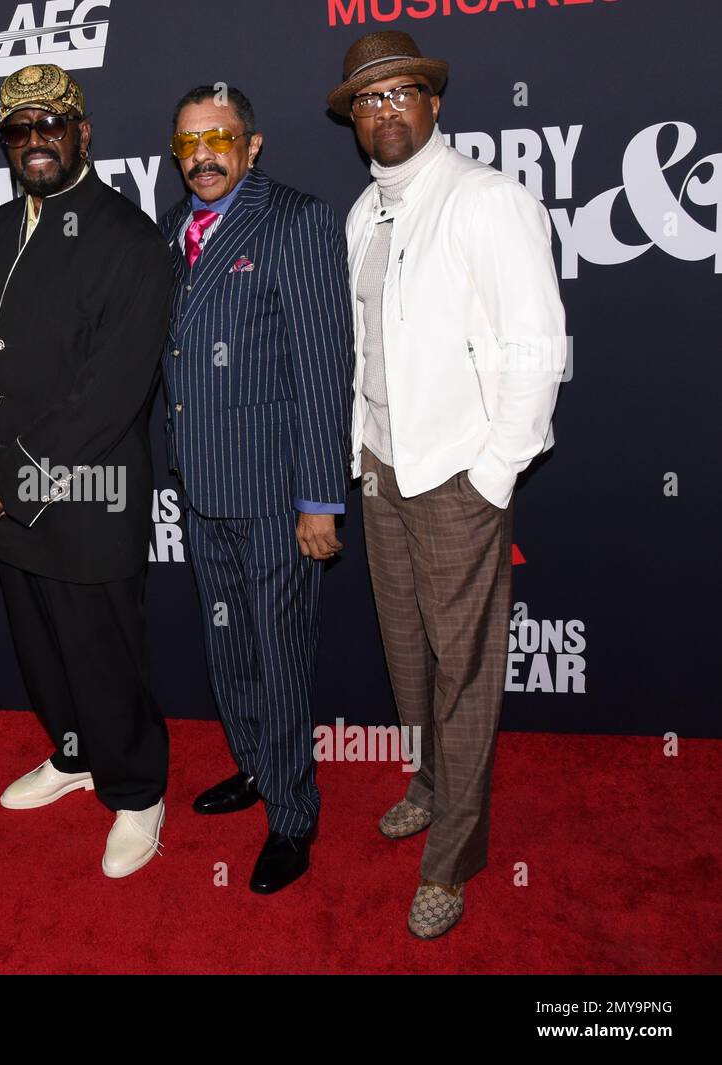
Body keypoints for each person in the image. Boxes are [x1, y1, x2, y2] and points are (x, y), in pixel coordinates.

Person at [328, 31, 565, 938]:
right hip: (386, 469)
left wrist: (497, 469)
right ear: (353, 120)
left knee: (463, 670)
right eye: (367, 100)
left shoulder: (487, 200)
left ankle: (454, 856)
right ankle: (429, 783)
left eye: (399, 93)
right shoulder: (363, 215)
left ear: (432, 104)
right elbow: (363, 352)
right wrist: (360, 452)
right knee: (407, 655)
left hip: (460, 474)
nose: (384, 110)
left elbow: (539, 346)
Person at [0, 63, 173, 878]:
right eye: (18, 132)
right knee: (41, 650)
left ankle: (138, 792)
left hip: (83, 501)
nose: (35, 143)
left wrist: (16, 477)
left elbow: (109, 394)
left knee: (104, 656)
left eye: (51, 127)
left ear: (83, 133)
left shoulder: (130, 239)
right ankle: (74, 756)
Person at [159, 85, 354, 893]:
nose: (203, 156)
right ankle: (256, 765)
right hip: (204, 485)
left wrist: (319, 497)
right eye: (188, 145)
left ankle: (295, 816)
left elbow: (322, 366)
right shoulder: (182, 234)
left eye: (220, 139)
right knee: (228, 646)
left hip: (276, 493)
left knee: (280, 658)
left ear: (253, 143)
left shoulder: (298, 220)